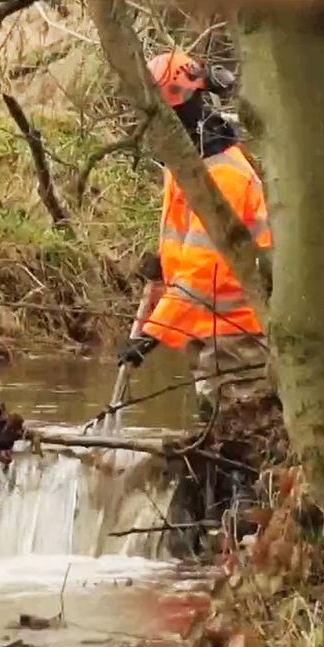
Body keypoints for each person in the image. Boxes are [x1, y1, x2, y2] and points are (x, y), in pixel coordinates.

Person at [117, 50, 273, 419]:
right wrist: (163, 267)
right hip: (208, 328)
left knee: (242, 426)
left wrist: (152, 335)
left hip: (239, 331)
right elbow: (185, 242)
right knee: (215, 425)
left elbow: (204, 272)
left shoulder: (223, 175)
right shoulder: (187, 163)